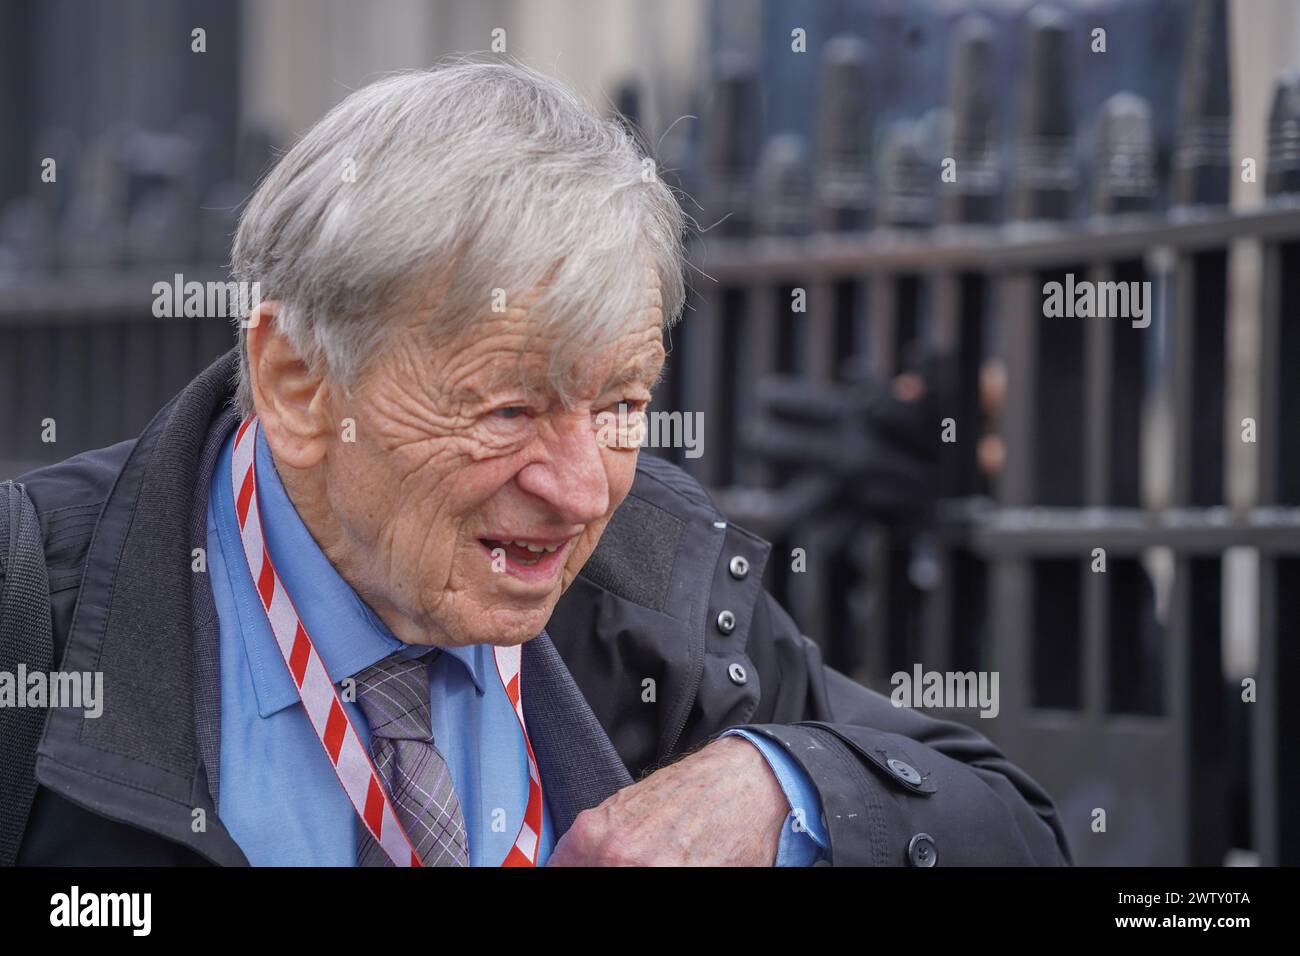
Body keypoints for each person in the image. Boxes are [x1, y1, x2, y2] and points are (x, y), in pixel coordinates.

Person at [7, 61, 1069, 866]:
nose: (578, 488)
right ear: (295, 381)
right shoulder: (37, 606)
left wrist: (775, 783)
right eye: (509, 406)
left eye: (621, 403)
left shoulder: (656, 574)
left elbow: (1014, 820)